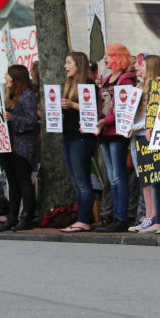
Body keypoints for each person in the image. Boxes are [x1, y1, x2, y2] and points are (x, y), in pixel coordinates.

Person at [95, 43, 138, 232]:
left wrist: (106, 121)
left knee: (119, 177)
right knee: (112, 178)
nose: (105, 58)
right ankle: (115, 215)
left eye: (108, 54)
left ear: (118, 57)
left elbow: (123, 108)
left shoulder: (126, 79)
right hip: (104, 131)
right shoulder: (107, 79)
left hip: (116, 132)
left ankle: (122, 217)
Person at [60, 51, 99, 233]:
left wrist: (73, 105)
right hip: (68, 136)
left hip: (82, 137)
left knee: (83, 181)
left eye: (69, 63)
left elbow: (93, 110)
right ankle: (82, 217)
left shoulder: (89, 84)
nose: (66, 66)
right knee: (76, 181)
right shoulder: (69, 85)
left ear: (78, 65)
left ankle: (84, 219)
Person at [0, 64, 38, 231]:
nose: (5, 78)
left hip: (21, 147)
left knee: (23, 182)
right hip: (8, 145)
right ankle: (12, 217)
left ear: (15, 78)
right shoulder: (12, 96)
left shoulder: (27, 96)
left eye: (8, 75)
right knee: (13, 183)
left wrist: (12, 118)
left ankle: (27, 216)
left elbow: (31, 121)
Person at [128, 54, 160, 233]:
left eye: (141, 65)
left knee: (151, 178)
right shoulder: (138, 87)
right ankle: (148, 215)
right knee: (143, 180)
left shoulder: (156, 87)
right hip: (136, 137)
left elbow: (153, 115)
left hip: (147, 136)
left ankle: (154, 215)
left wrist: (135, 126)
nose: (137, 68)